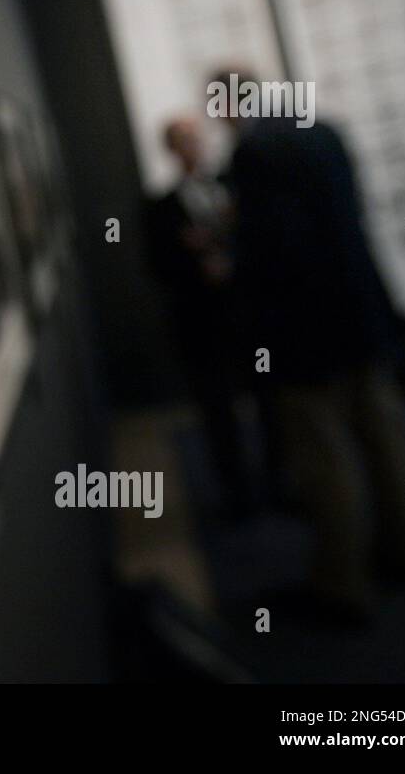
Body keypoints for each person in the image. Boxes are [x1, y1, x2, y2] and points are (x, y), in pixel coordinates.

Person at [211, 68, 405, 620]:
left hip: (304, 333)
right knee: (383, 437)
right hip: (361, 313)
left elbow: (271, 252)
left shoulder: (253, 154)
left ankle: (340, 585)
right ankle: (403, 553)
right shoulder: (326, 131)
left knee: (323, 455)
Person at [146, 115, 253, 517]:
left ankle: (281, 482)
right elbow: (156, 266)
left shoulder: (234, 187)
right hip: (201, 324)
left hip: (247, 316)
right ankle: (236, 491)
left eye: (195, 138)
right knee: (217, 411)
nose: (191, 147)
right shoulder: (159, 207)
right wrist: (193, 259)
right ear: (171, 150)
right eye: (181, 141)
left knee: (272, 402)